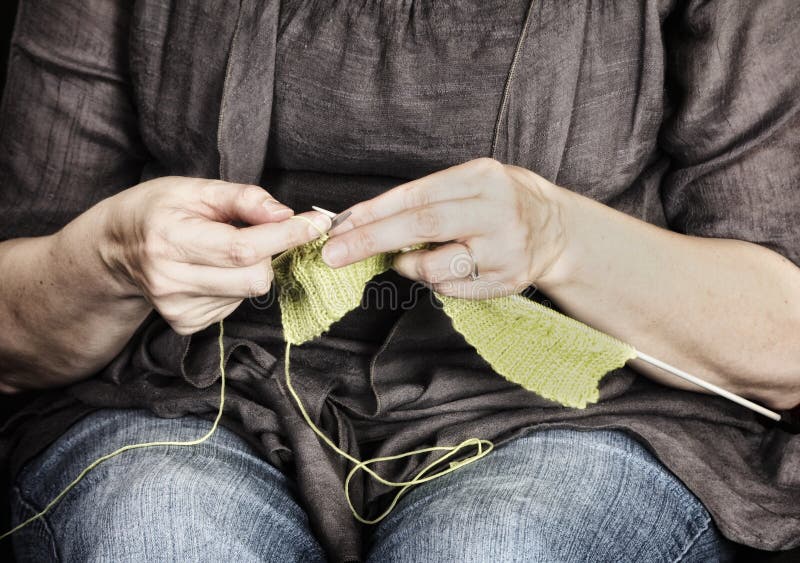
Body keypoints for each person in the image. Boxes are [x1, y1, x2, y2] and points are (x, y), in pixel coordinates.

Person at [1, 1, 798, 561]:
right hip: (186, 400)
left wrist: (559, 236)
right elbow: (12, 340)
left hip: (585, 420)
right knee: (160, 533)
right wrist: (110, 255)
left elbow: (785, 347)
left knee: (496, 548)